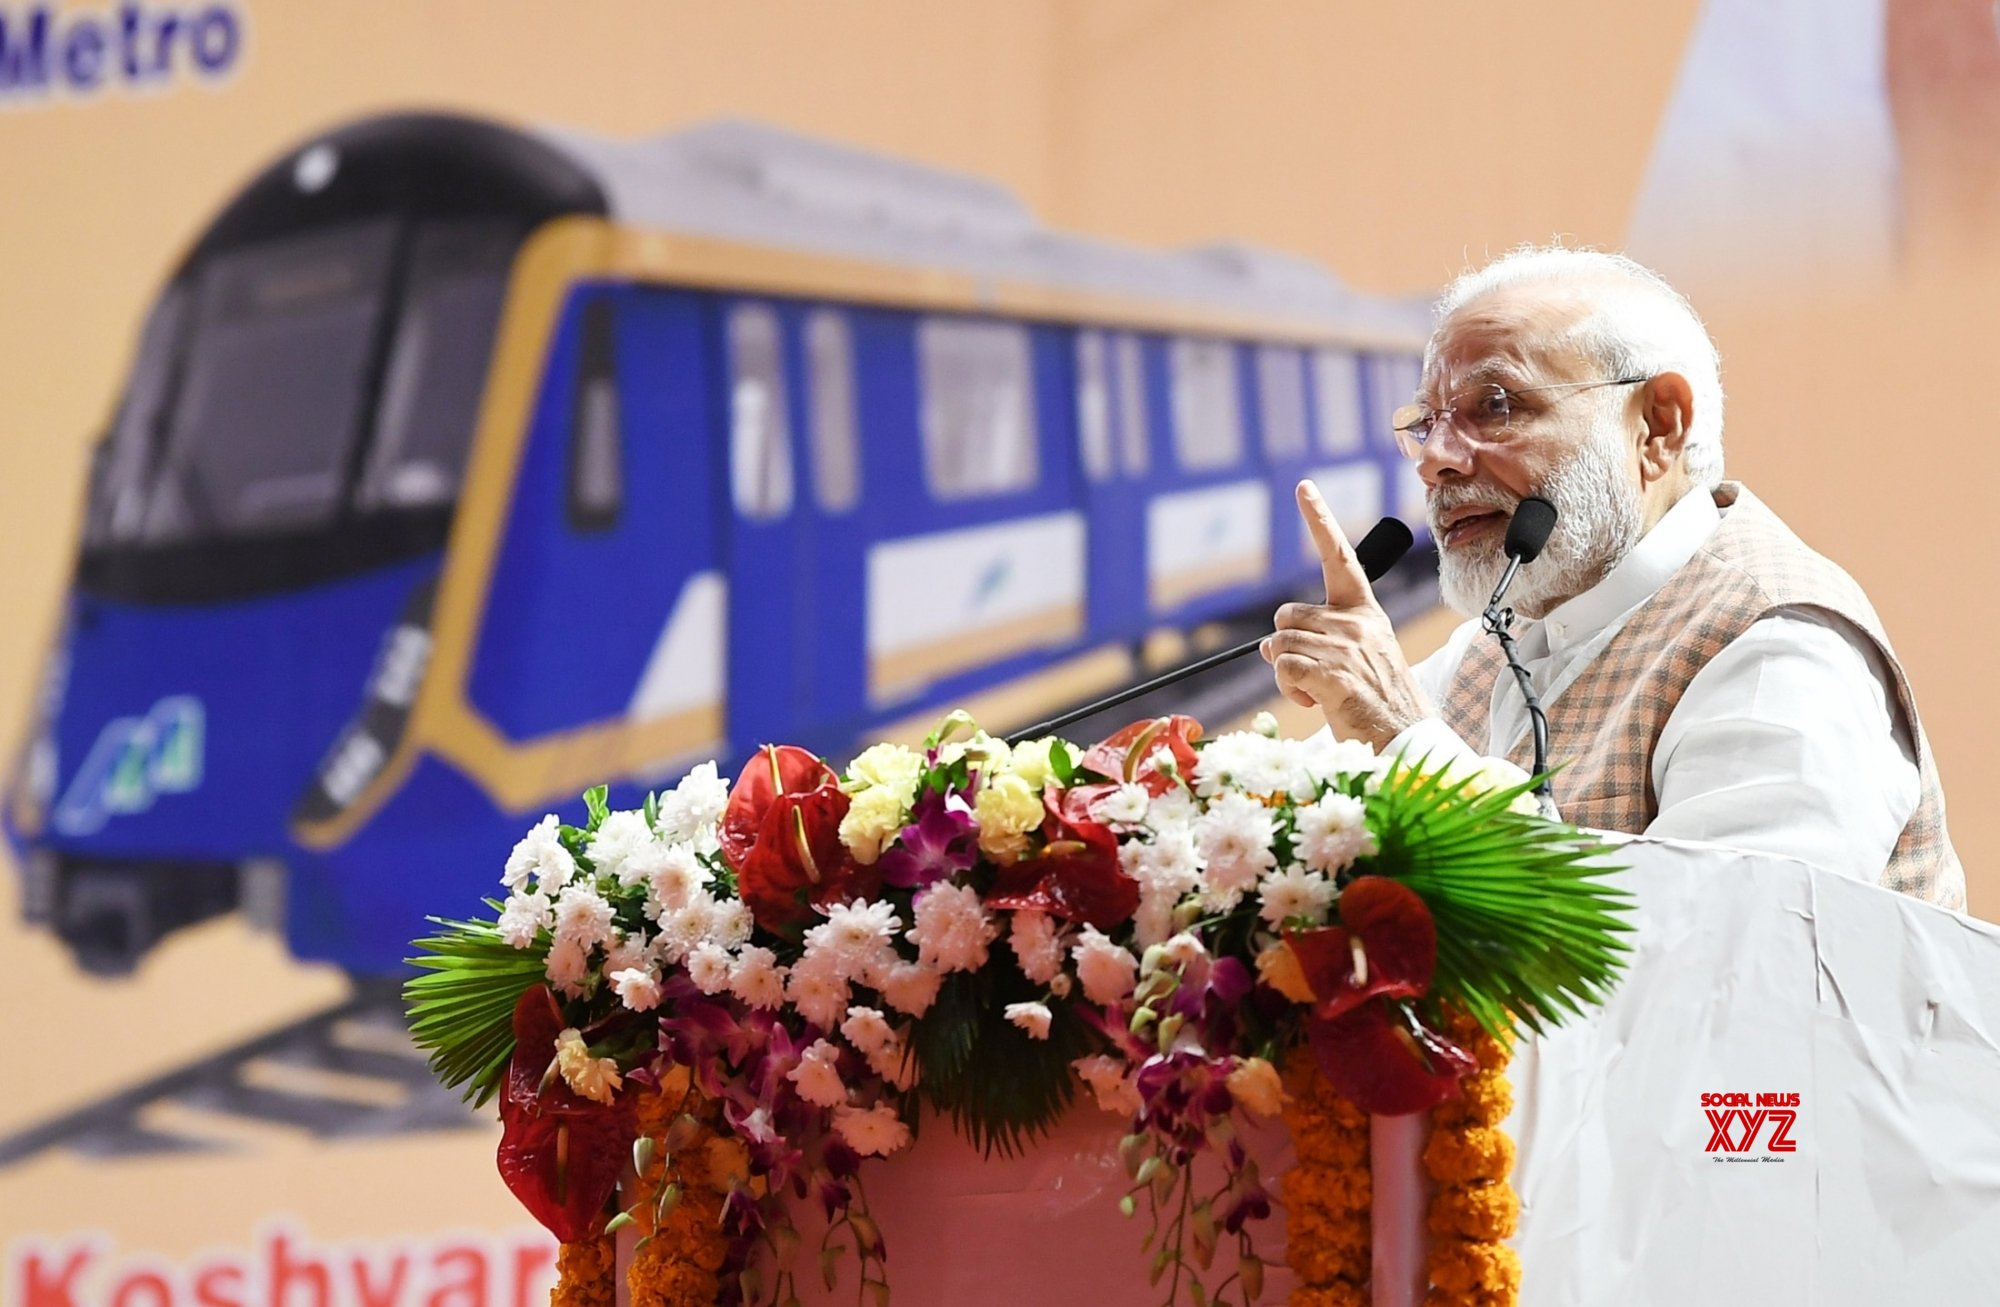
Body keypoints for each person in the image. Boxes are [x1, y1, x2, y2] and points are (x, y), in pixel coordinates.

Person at [1260, 245, 1964, 909]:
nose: (1435, 458)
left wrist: (1400, 733)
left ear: (1658, 427)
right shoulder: (1501, 639)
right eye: (1427, 423)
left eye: (1496, 406)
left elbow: (1707, 964)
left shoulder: (1780, 648)